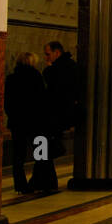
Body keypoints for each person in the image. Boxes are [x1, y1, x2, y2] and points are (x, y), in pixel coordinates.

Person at [35, 40, 79, 193]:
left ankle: (42, 180)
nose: (47, 58)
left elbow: (54, 85)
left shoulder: (57, 69)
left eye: (48, 54)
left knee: (41, 145)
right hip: (64, 114)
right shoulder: (72, 65)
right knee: (43, 146)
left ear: (57, 52)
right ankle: (41, 179)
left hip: (54, 115)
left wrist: (49, 69)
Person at [4, 51, 46, 194]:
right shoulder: (36, 77)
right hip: (36, 122)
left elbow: (7, 102)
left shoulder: (11, 78)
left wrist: (13, 116)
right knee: (41, 152)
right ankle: (38, 180)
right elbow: (42, 100)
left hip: (17, 123)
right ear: (31, 62)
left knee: (18, 155)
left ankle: (20, 184)